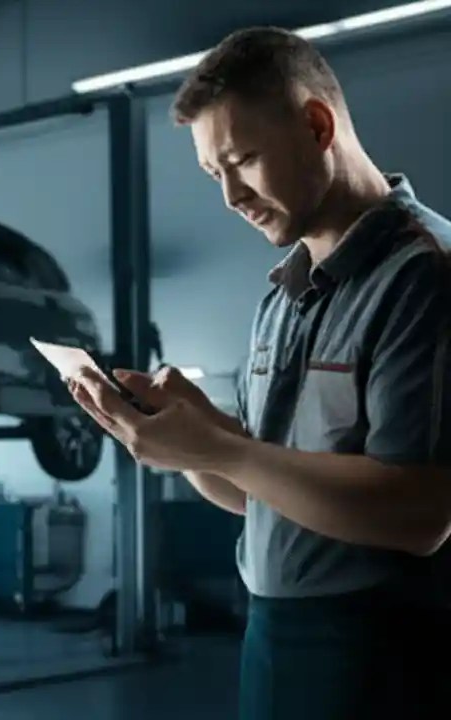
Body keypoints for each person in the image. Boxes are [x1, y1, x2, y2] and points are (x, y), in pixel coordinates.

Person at [66, 26, 451, 720]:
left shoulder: (425, 275)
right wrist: (185, 441)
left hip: (385, 648)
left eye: (242, 160)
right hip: (271, 641)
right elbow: (263, 491)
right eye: (213, 174)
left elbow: (419, 514)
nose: (231, 197)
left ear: (316, 126)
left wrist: (221, 448)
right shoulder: (280, 299)